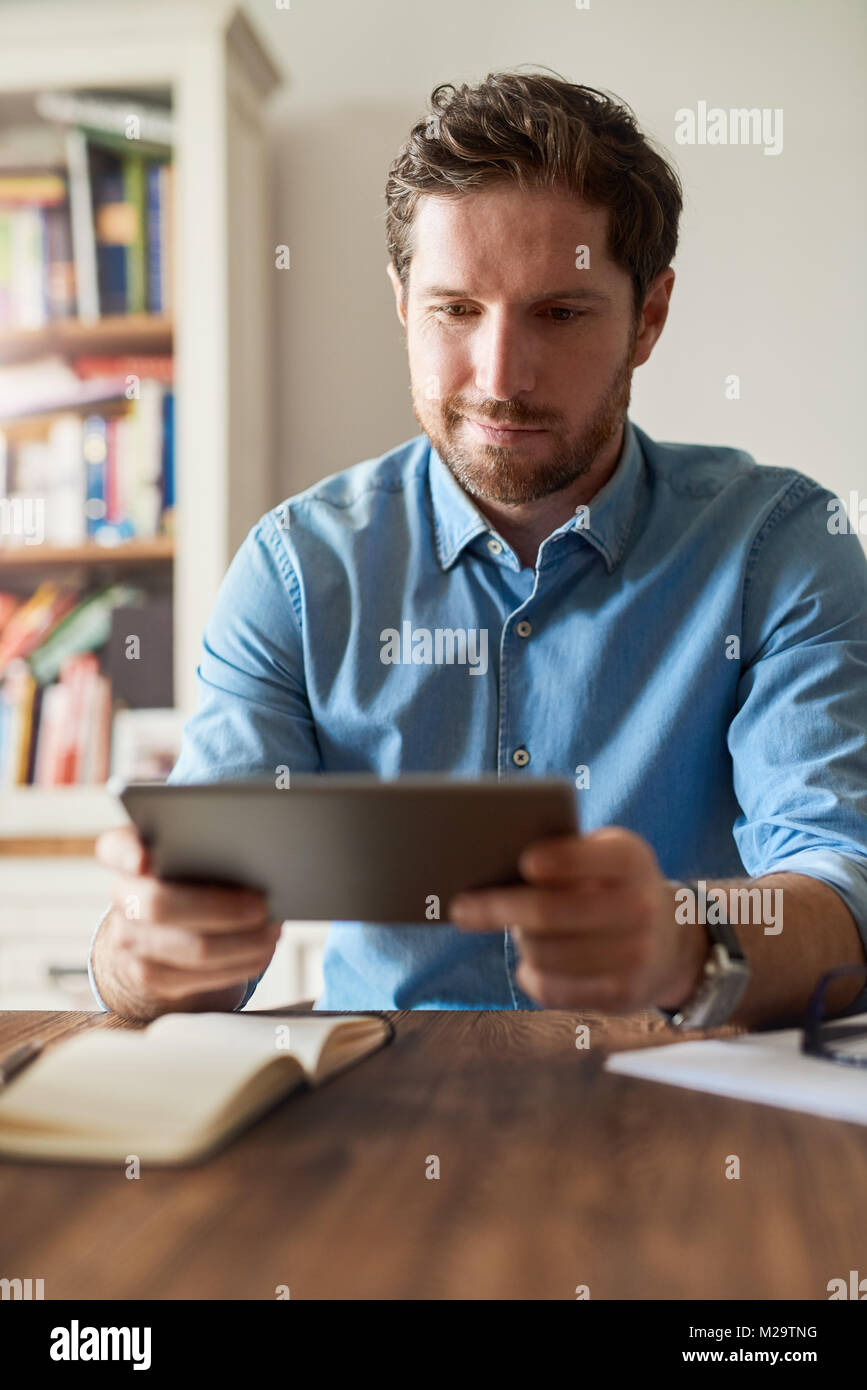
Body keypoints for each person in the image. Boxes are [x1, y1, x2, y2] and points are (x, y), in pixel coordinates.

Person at [91, 71, 867, 1027]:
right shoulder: (296, 571)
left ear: (648, 318)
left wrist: (690, 943)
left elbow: (845, 884)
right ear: (402, 302)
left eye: (561, 313)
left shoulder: (777, 547)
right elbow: (183, 936)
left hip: (681, 1120)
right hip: (373, 1116)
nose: (501, 379)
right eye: (455, 310)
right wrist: (144, 956)